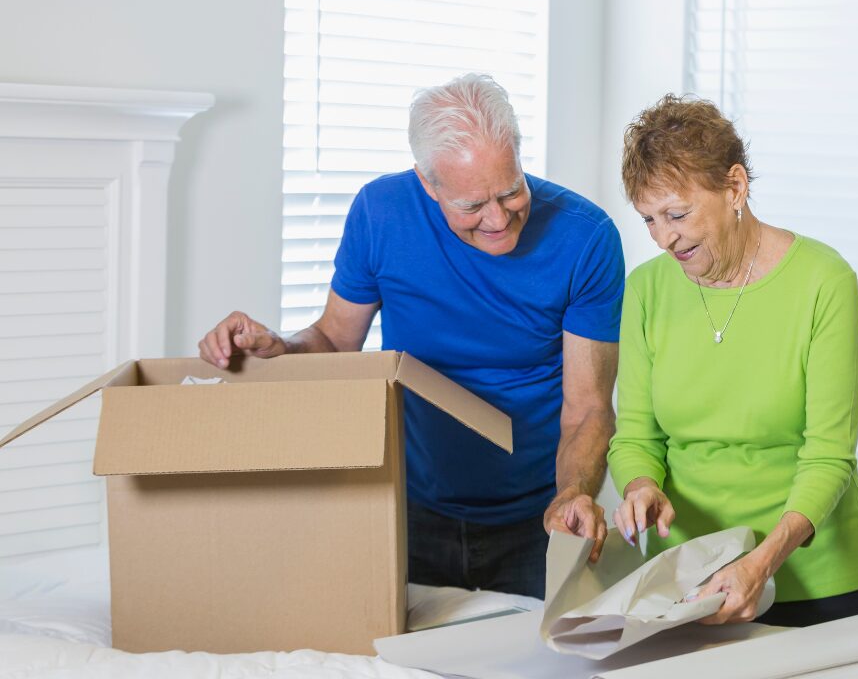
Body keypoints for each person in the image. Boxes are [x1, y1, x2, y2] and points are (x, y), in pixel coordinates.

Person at [199, 74, 623, 599]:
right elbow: (333, 342)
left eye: (511, 191)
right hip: (409, 507)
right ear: (428, 184)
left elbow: (587, 408)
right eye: (472, 206)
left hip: (539, 518)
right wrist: (277, 348)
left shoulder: (586, 237)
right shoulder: (381, 212)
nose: (498, 217)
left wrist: (572, 497)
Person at [607, 94, 858, 627]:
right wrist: (641, 485)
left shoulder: (824, 282)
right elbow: (636, 435)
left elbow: (828, 455)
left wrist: (763, 561)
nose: (665, 238)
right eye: (650, 220)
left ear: (734, 187)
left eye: (678, 214)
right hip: (686, 578)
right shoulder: (645, 290)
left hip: (814, 580)